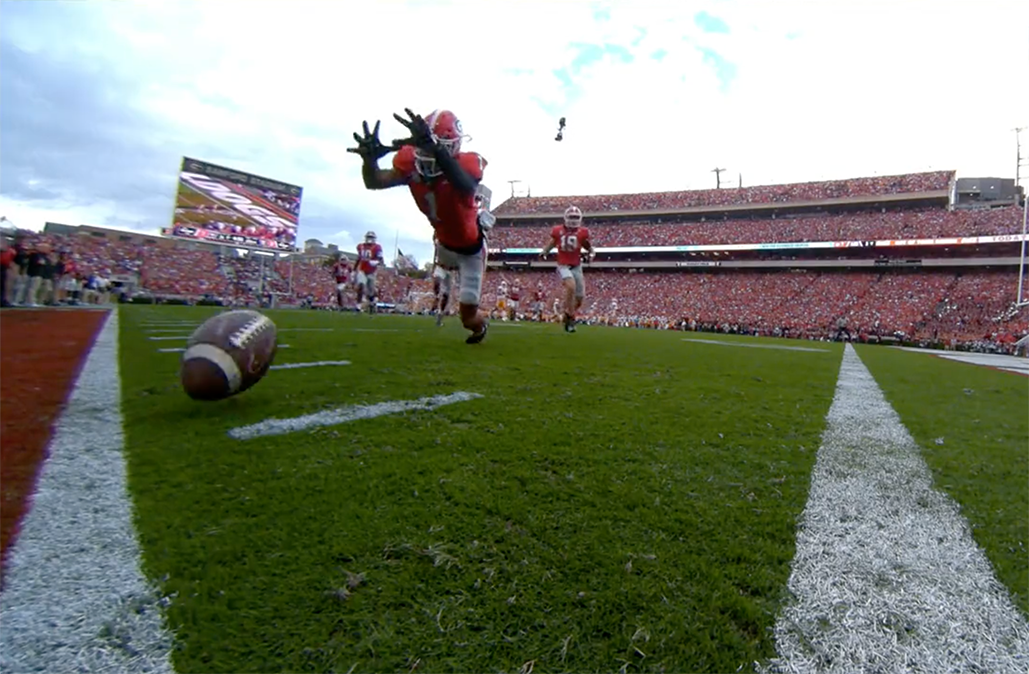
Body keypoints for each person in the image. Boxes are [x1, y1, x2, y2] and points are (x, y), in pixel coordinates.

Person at [347, 108, 491, 344]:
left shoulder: (466, 165)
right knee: (439, 283)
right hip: (442, 244)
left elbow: (465, 186)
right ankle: (439, 307)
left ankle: (481, 324)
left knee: (467, 319)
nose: (429, 155)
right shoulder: (410, 164)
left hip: (471, 249)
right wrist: (369, 161)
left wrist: (435, 149)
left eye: (434, 147)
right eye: (424, 146)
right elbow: (373, 181)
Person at [539, 205, 594, 333]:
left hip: (576, 265)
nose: (574, 220)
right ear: (565, 218)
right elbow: (554, 241)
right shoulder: (558, 230)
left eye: (576, 217)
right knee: (570, 286)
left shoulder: (582, 232)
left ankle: (567, 315)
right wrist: (545, 251)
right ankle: (571, 319)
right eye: (571, 217)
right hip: (563, 264)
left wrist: (591, 252)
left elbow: (586, 244)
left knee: (579, 299)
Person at [354, 232, 384, 313]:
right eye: (368, 237)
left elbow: (381, 259)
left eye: (371, 237)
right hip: (362, 270)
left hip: (371, 271)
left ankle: (372, 302)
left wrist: (376, 262)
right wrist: (354, 269)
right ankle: (358, 305)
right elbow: (359, 258)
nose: (369, 239)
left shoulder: (377, 247)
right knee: (361, 284)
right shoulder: (361, 246)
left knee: (371, 292)